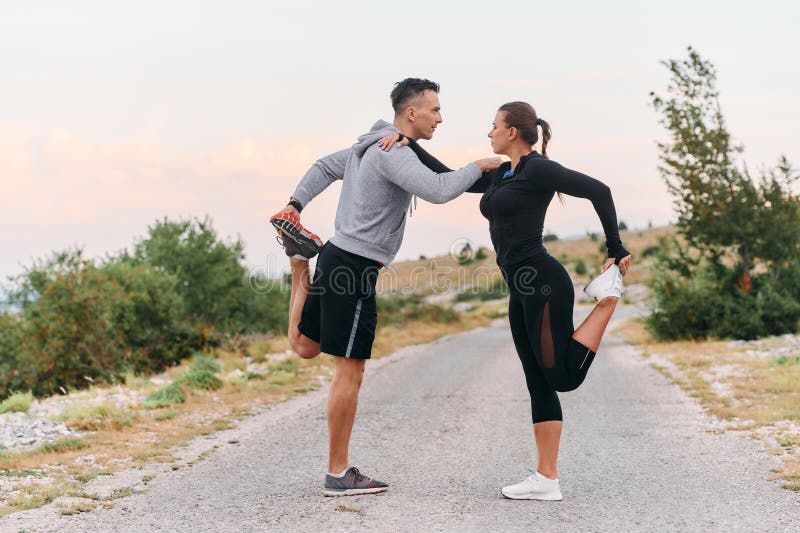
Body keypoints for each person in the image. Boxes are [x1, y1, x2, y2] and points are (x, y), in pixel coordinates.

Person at [379, 101, 632, 501]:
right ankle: (547, 479)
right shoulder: (500, 174)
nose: (490, 132)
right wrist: (406, 143)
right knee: (537, 381)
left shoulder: (538, 169)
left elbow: (599, 190)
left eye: (494, 126)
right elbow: (446, 175)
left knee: (562, 377)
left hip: (545, 283)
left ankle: (608, 300)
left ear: (513, 131)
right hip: (520, 288)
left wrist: (616, 249)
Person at [270, 78, 502, 497]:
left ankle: (299, 261)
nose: (440, 117)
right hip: (356, 268)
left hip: (336, 255)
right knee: (350, 370)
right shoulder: (393, 151)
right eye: (434, 109)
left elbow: (324, 165)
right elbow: (438, 188)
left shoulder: (370, 146)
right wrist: (480, 166)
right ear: (411, 112)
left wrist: (296, 203)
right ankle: (338, 473)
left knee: (305, 345)